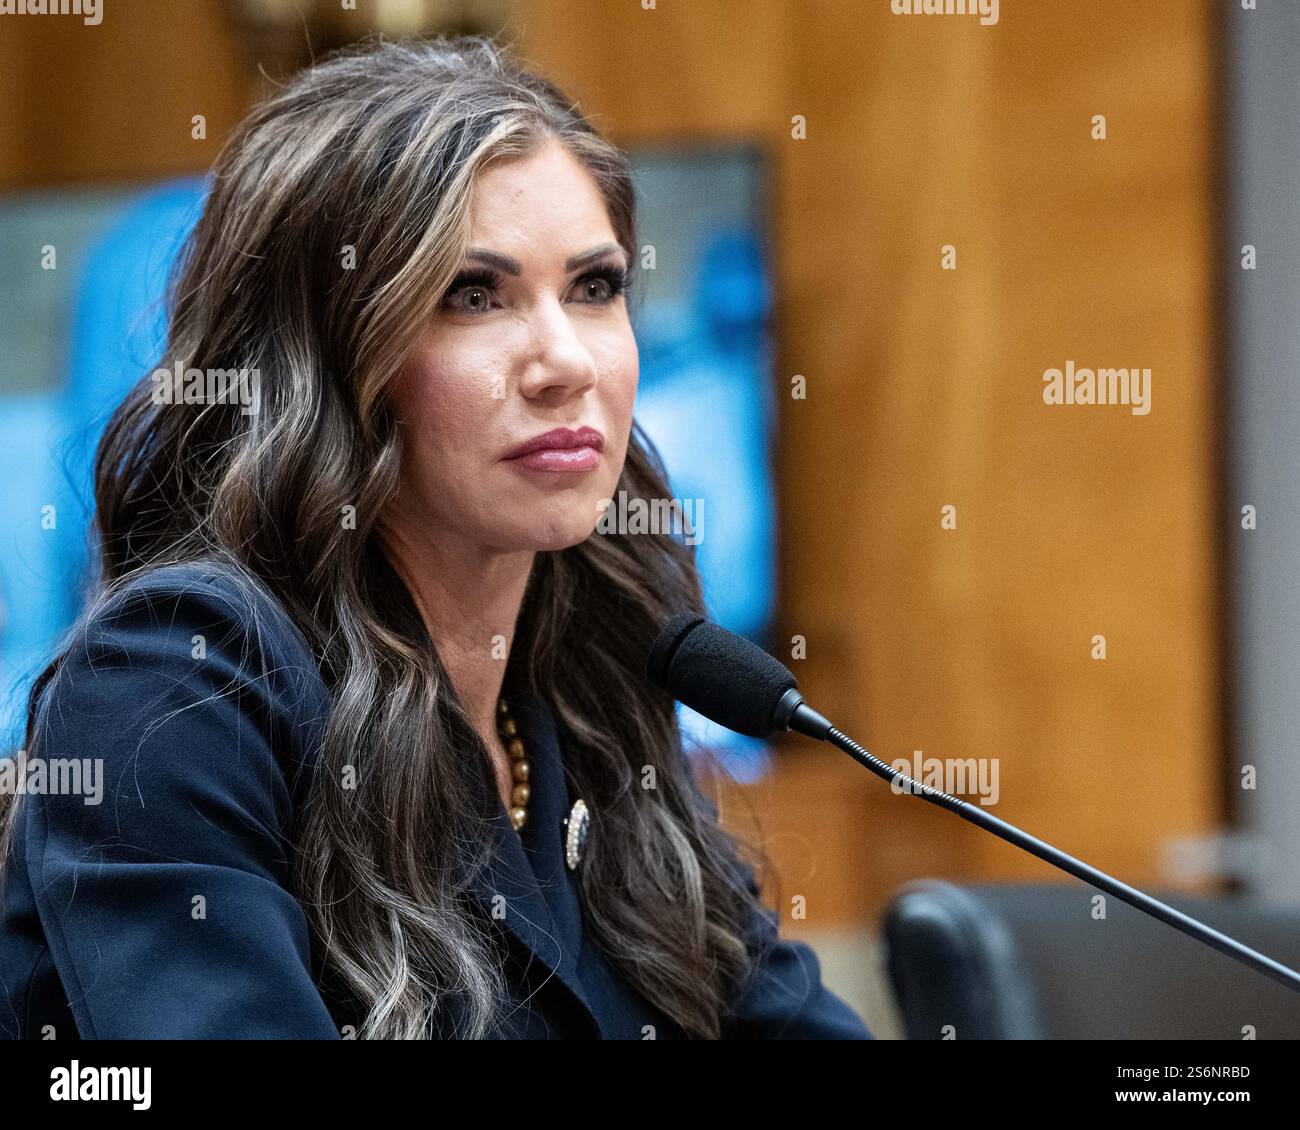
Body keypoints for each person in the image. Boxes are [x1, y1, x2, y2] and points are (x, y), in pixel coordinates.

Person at [0, 35, 872, 1041]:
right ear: (320, 359)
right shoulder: (176, 685)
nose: (564, 360)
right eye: (472, 295)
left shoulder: (589, 687)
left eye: (594, 288)